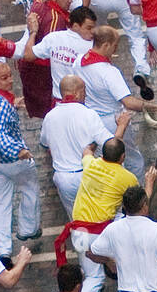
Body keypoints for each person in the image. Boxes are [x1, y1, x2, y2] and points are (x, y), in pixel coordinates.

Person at [77, 25, 157, 179]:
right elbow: (128, 102)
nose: (115, 49)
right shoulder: (109, 72)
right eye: (114, 45)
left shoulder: (78, 62)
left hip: (90, 121)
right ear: (105, 45)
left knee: (100, 159)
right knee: (132, 158)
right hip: (113, 122)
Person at [0, 59, 42, 264]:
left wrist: (12, 104)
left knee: (0, 204)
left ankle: (3, 250)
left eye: (9, 76)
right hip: (13, 161)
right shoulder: (0, 107)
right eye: (4, 78)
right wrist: (19, 150)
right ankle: (28, 228)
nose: (10, 81)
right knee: (30, 188)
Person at [68, 135, 138, 292]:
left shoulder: (91, 164)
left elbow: (86, 152)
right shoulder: (128, 178)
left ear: (103, 155)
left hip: (78, 230)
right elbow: (138, 204)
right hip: (103, 232)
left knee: (93, 276)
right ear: (122, 157)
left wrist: (91, 144)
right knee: (123, 266)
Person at [39, 73, 111, 218]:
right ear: (77, 93)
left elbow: (45, 144)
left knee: (76, 220)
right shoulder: (88, 114)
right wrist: (121, 125)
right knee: (98, 217)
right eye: (84, 91)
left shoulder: (50, 117)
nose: (85, 95)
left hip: (63, 178)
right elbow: (110, 143)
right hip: (87, 175)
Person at [16, 0, 77, 119]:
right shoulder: (55, 20)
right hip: (41, 71)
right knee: (52, 113)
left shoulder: (40, 5)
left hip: (30, 67)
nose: (70, 0)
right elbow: (52, 51)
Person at [20, 4, 97, 101]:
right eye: (89, 28)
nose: (93, 32)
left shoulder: (53, 38)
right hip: (84, 102)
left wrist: (33, 32)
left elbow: (28, 55)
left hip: (58, 101)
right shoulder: (93, 47)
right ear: (76, 26)